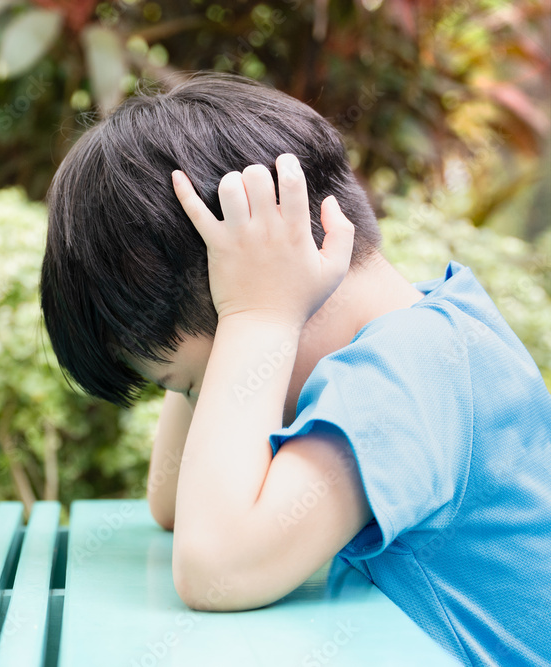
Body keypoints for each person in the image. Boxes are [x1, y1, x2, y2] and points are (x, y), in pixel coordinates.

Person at [39, 72, 551, 666]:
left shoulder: (408, 372)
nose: (214, 400)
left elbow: (216, 567)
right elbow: (172, 502)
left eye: (196, 385)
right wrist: (235, 314)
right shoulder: (431, 327)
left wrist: (255, 317)